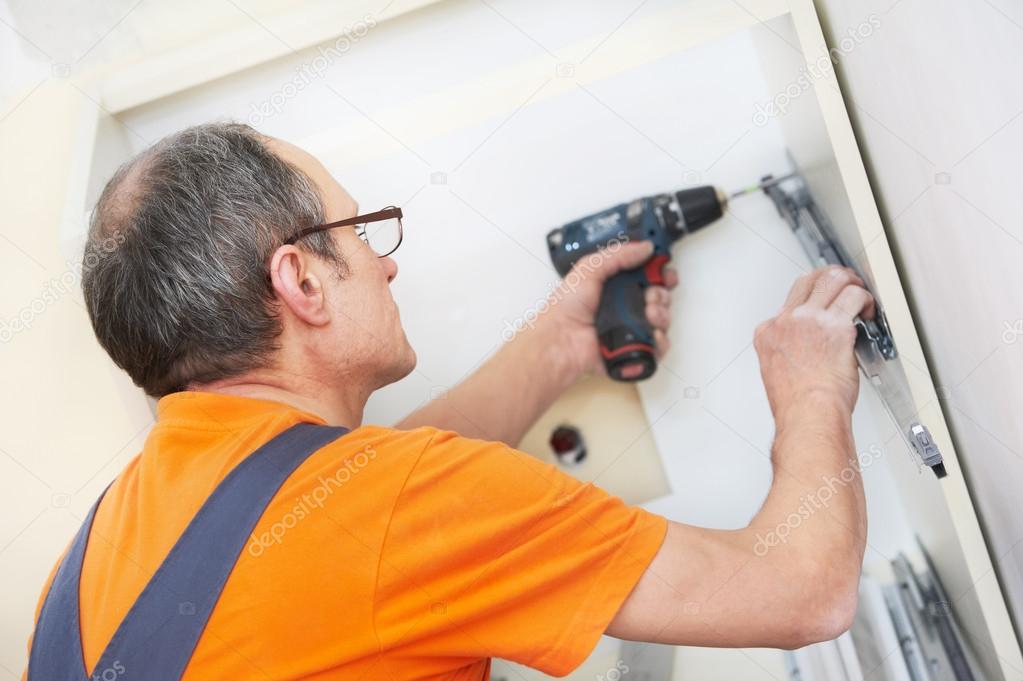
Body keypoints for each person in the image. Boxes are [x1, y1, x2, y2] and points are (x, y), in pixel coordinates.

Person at [24, 123, 871, 680]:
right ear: (303, 280)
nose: (385, 262)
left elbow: (344, 508)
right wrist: (808, 389)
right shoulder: (396, 505)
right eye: (360, 231)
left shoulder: (86, 567)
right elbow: (801, 591)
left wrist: (558, 344)